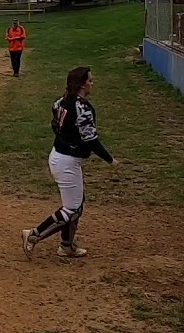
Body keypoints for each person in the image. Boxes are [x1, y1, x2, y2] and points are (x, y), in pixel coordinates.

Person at [21, 67, 119, 259]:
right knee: (72, 209)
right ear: (82, 84)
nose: (92, 83)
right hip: (67, 161)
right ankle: (33, 235)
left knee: (76, 205)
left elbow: (54, 124)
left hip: (61, 156)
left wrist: (65, 138)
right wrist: (110, 159)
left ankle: (66, 246)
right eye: (90, 80)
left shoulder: (61, 101)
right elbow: (90, 139)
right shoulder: (82, 108)